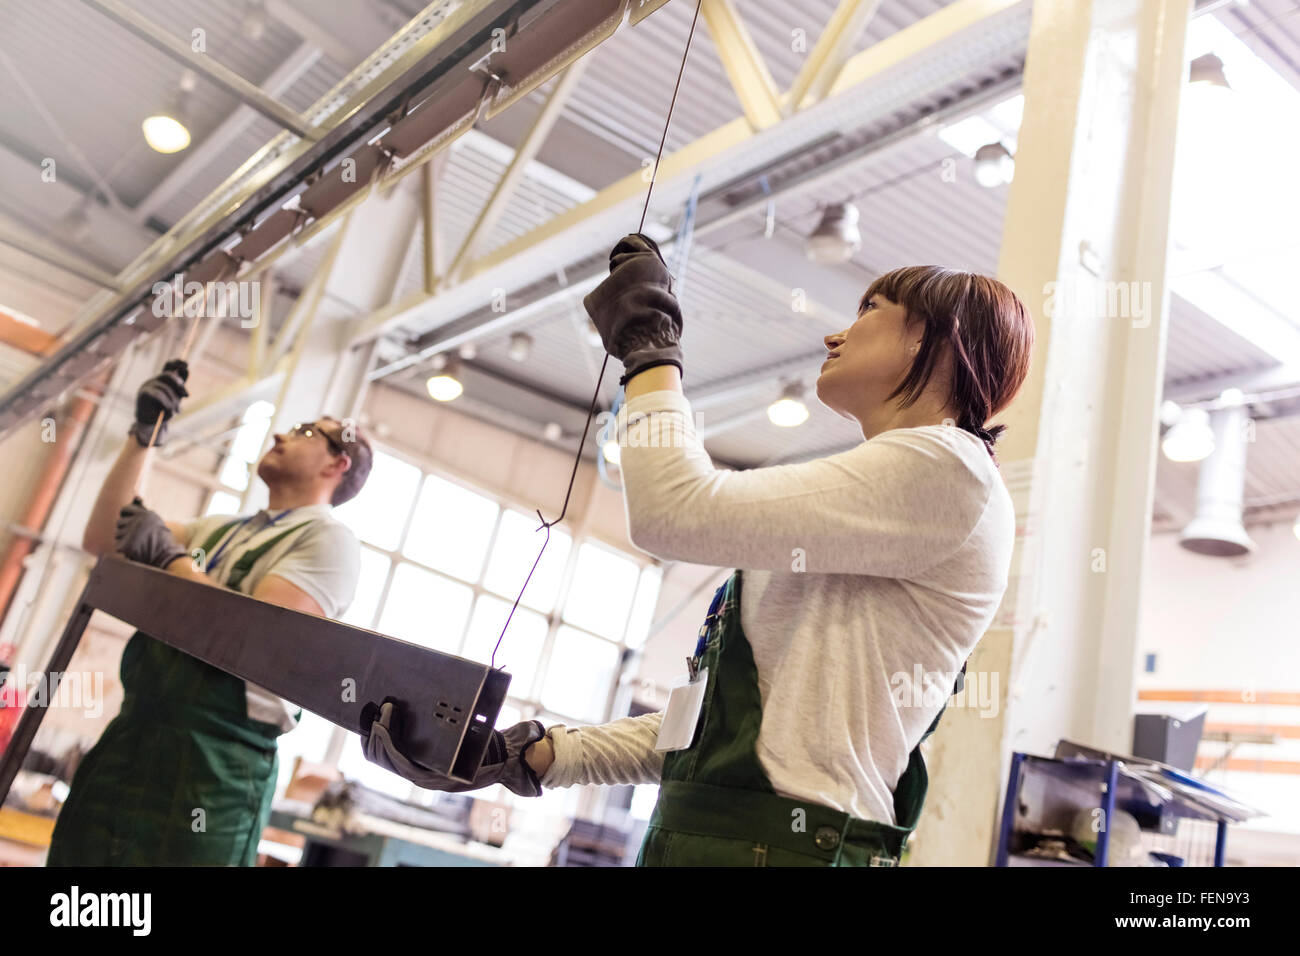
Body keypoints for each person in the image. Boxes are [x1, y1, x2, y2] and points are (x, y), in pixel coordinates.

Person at [361, 233, 1034, 867]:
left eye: (868, 310)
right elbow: (702, 731)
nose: (835, 332)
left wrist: (651, 353)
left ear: (931, 339)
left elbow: (672, 512)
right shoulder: (868, 505)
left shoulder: (949, 472)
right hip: (722, 837)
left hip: (783, 847)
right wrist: (530, 755)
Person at [47, 358, 373, 866]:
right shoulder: (220, 530)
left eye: (308, 431)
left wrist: (170, 559)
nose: (283, 433)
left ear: (337, 466)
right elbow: (104, 538)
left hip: (215, 768)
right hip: (131, 739)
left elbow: (255, 640)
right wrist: (143, 437)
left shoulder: (329, 542)